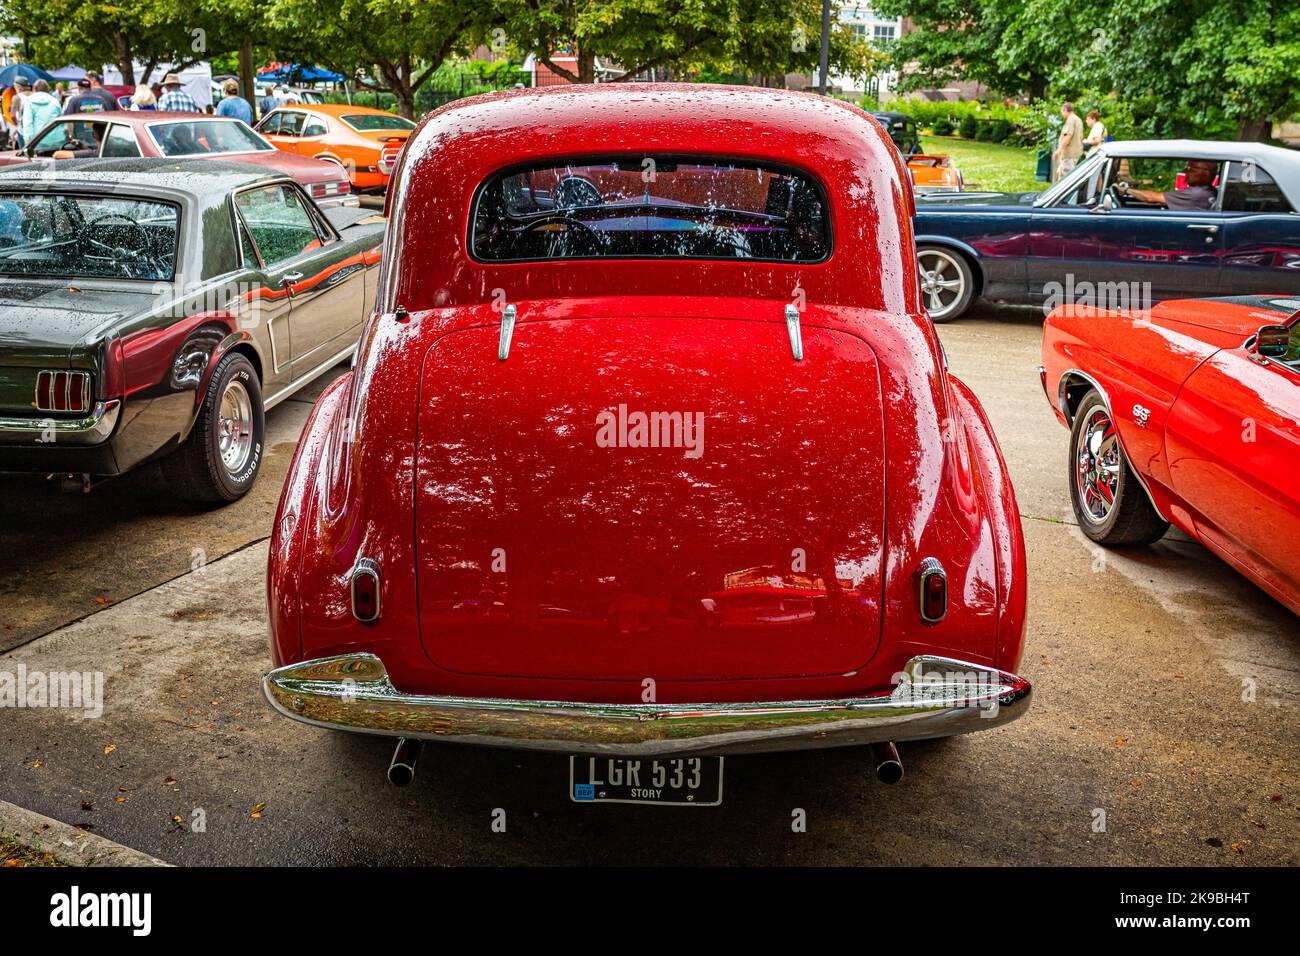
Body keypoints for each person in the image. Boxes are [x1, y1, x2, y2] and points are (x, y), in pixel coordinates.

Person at [1118, 159, 1218, 211]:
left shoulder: (1196, 194)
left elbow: (1150, 198)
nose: (1185, 170)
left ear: (1204, 173)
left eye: (1190, 168)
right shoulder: (1207, 191)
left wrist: (1125, 190)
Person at [21, 80, 63, 147]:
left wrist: (28, 141)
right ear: (47, 89)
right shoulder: (55, 101)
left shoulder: (29, 102)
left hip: (37, 140)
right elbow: (61, 120)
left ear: (34, 88)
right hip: (56, 139)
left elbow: (28, 123)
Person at [1052, 102, 1084, 180]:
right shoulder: (1078, 119)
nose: (1062, 114)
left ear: (1066, 110)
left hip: (1069, 154)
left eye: (1062, 112)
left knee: (1065, 179)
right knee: (1060, 174)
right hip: (1075, 153)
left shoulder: (1071, 119)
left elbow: (1068, 136)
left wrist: (1058, 151)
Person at [9, 76, 30, 148]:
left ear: (18, 86)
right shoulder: (34, 95)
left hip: (22, 129)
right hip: (35, 128)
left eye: (14, 86)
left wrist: (16, 124)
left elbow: (12, 115)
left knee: (23, 152)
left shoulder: (17, 97)